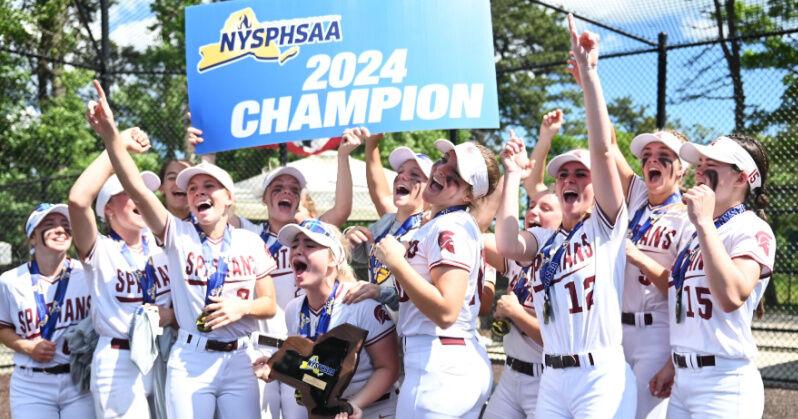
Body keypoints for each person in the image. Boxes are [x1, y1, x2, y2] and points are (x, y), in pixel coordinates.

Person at [85, 80, 278, 419]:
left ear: (229, 198)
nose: (198, 192)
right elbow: (137, 189)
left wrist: (241, 307)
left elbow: (269, 304)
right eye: (192, 189)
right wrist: (111, 136)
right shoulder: (178, 233)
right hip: (191, 359)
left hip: (240, 360)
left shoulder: (249, 239)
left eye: (209, 186)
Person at [495, 15, 635, 418]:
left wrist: (590, 78)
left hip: (599, 376)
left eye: (580, 174)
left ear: (595, 190)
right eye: (563, 176)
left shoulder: (605, 226)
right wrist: (510, 175)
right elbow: (507, 244)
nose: (570, 179)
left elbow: (604, 151)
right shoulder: (549, 239)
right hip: (553, 379)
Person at [372, 138, 500, 418]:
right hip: (449, 360)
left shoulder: (449, 227)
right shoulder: (445, 223)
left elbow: (446, 310)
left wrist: (396, 263)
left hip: (438, 366)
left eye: (454, 175)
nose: (441, 170)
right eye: (443, 160)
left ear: (469, 195)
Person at [657, 134, 775, 418]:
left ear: (742, 178)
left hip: (723, 384)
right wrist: (672, 365)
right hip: (683, 381)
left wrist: (704, 223)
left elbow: (732, 296)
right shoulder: (691, 229)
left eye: (712, 164)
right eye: (700, 162)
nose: (699, 169)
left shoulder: (751, 228)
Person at [68, 123, 174, 419]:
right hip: (118, 363)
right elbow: (77, 201)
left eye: (143, 192)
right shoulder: (101, 250)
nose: (141, 197)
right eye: (129, 191)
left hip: (164, 354)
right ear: (108, 209)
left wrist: (172, 316)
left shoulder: (163, 245)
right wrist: (117, 143)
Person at [253, 219, 400, 419]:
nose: (297, 250)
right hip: (329, 413)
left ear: (333, 259)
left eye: (309, 245)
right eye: (294, 245)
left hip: (373, 410)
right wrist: (275, 367)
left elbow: (388, 368)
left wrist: (353, 405)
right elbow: (314, 367)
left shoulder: (360, 302)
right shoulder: (293, 309)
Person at [483, 110, 564, 419]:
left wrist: (516, 313)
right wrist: (509, 173)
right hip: (511, 376)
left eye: (546, 207)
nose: (534, 211)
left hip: (547, 378)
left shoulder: (569, 259)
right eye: (530, 206)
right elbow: (476, 234)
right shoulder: (518, 251)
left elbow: (557, 341)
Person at [0, 204, 94, 418]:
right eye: (49, 225)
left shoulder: (88, 274)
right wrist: (27, 346)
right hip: (31, 385)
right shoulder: (10, 281)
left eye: (65, 224)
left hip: (79, 381)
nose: (60, 229)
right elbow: (2, 327)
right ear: (32, 237)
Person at [344, 128, 432, 320]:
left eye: (415, 175)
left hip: (414, 329)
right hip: (380, 327)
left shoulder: (429, 228)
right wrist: (350, 237)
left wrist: (380, 293)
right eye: (400, 172)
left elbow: (426, 294)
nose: (402, 176)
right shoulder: (386, 223)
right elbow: (362, 258)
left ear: (432, 191)